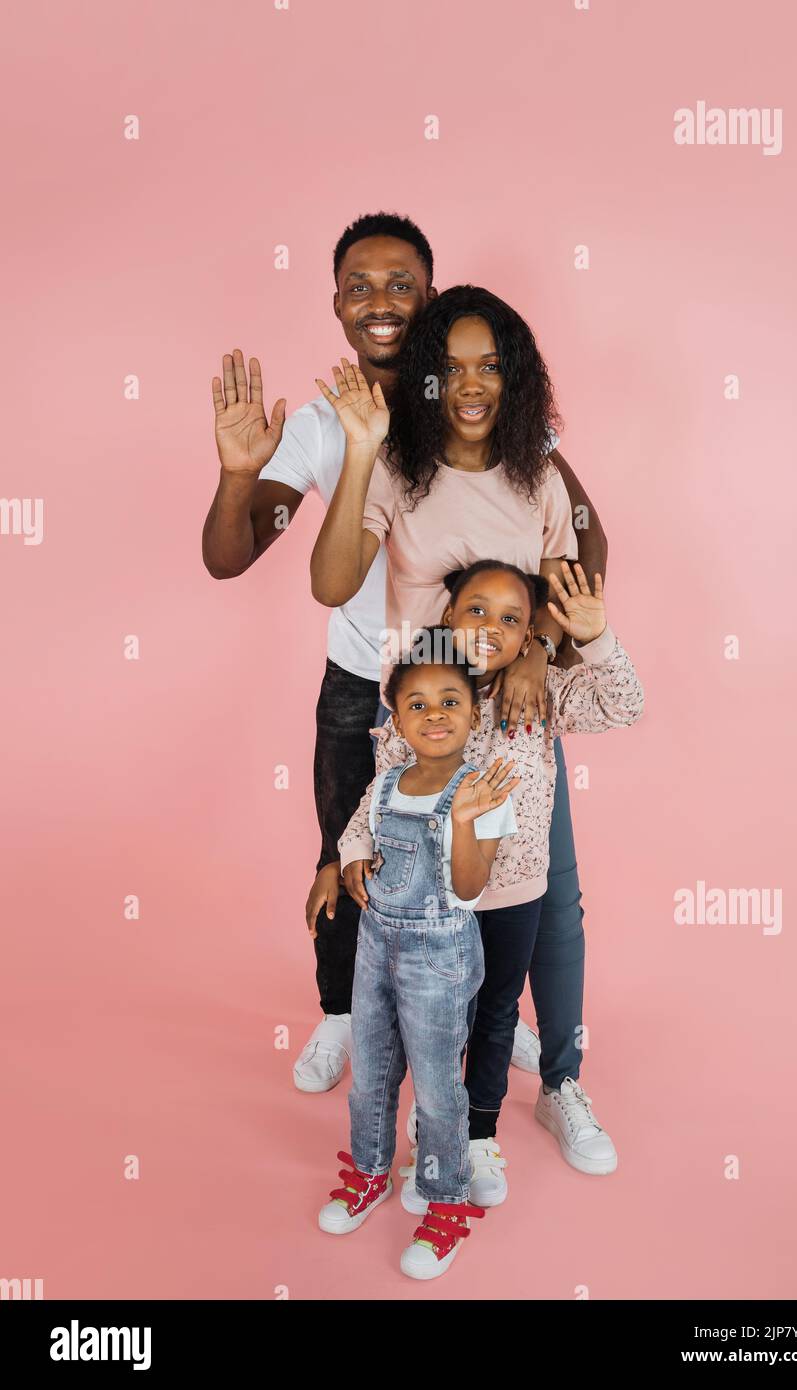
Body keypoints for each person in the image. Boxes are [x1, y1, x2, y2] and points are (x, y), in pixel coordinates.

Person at [202, 213, 607, 1092]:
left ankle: (489, 1028)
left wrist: (539, 642)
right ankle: (345, 1018)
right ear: (337, 304)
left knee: (504, 867)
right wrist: (240, 475)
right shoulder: (322, 426)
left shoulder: (487, 412)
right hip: (367, 682)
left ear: (432, 298)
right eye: (360, 285)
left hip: (490, 691)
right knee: (353, 856)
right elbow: (235, 556)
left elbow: (584, 541)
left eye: (401, 285)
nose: (380, 302)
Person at [310, 286, 620, 1171]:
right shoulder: (400, 468)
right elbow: (332, 584)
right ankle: (432, 1118)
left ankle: (556, 1081)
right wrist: (364, 452)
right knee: (428, 917)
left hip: (518, 726)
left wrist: (539, 653)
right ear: (428, 379)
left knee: (548, 903)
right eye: (452, 367)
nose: (473, 384)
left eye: (492, 366)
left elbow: (566, 583)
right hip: (423, 727)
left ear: (515, 377)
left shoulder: (536, 473)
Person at [338, 560, 644, 1208]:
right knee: (438, 1019)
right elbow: (383, 782)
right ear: (449, 617)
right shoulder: (427, 690)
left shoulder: (543, 693)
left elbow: (625, 705)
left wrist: (595, 639)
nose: (491, 627)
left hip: (515, 894)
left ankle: (476, 1134)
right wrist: (357, 846)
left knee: (497, 1014)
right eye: (477, 610)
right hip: (434, 899)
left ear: (530, 632)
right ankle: (433, 1130)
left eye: (512, 619)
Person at [317, 630, 520, 1280]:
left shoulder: (482, 791)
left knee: (436, 1089)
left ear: (473, 713)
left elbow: (466, 886)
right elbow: (364, 839)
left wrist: (462, 820)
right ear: (396, 715)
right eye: (419, 704)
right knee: (371, 1070)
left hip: (439, 956)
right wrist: (350, 861)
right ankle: (371, 1171)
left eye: (450, 702)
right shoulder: (387, 782)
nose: (434, 716)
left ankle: (445, 1200)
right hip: (376, 947)